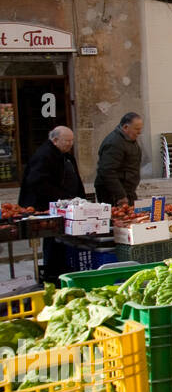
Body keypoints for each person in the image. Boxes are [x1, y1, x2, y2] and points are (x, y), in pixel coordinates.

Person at [21, 126, 87, 285]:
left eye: (72, 141)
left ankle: (60, 270)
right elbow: (37, 183)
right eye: (67, 141)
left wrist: (81, 200)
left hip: (65, 206)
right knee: (52, 239)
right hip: (46, 207)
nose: (70, 144)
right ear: (55, 140)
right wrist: (61, 199)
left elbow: (75, 179)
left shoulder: (66, 156)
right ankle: (52, 273)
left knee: (61, 240)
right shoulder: (44, 155)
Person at [94, 112, 143, 206]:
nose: (139, 132)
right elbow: (107, 171)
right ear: (125, 127)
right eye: (137, 129)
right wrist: (120, 195)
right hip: (113, 193)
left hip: (127, 190)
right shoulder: (114, 143)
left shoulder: (130, 140)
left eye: (140, 129)